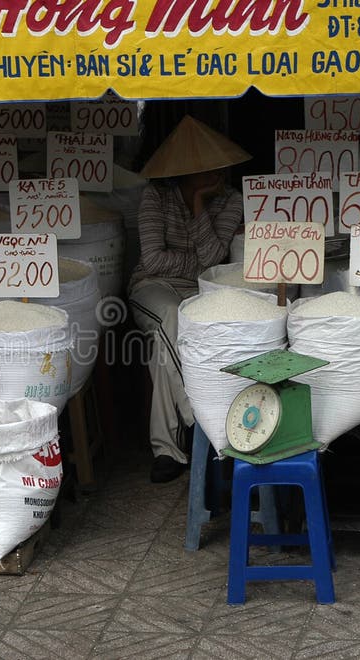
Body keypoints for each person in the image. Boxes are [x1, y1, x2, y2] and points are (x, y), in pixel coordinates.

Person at [128, 116, 252, 483]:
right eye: (202, 172)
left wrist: (199, 206)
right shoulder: (155, 196)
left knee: (161, 347)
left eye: (216, 169)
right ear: (181, 173)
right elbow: (152, 261)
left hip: (200, 291)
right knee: (170, 316)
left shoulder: (231, 201)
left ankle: (167, 450)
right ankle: (199, 419)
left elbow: (214, 260)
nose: (214, 176)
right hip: (152, 287)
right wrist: (196, 262)